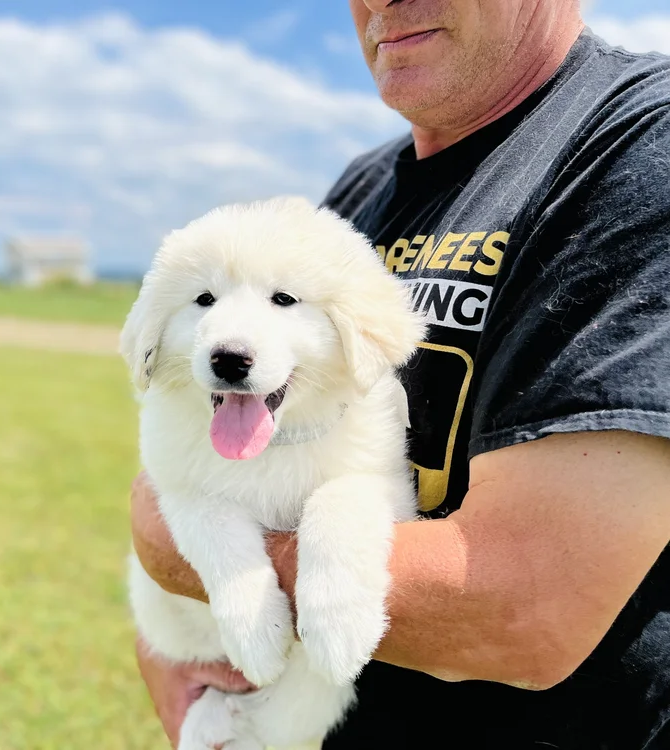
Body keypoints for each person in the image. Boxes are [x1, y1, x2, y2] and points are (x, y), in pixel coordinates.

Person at [129, 1, 670, 747]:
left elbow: (524, 614)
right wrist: (172, 653)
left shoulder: (640, 145)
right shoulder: (364, 189)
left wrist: (177, 544)